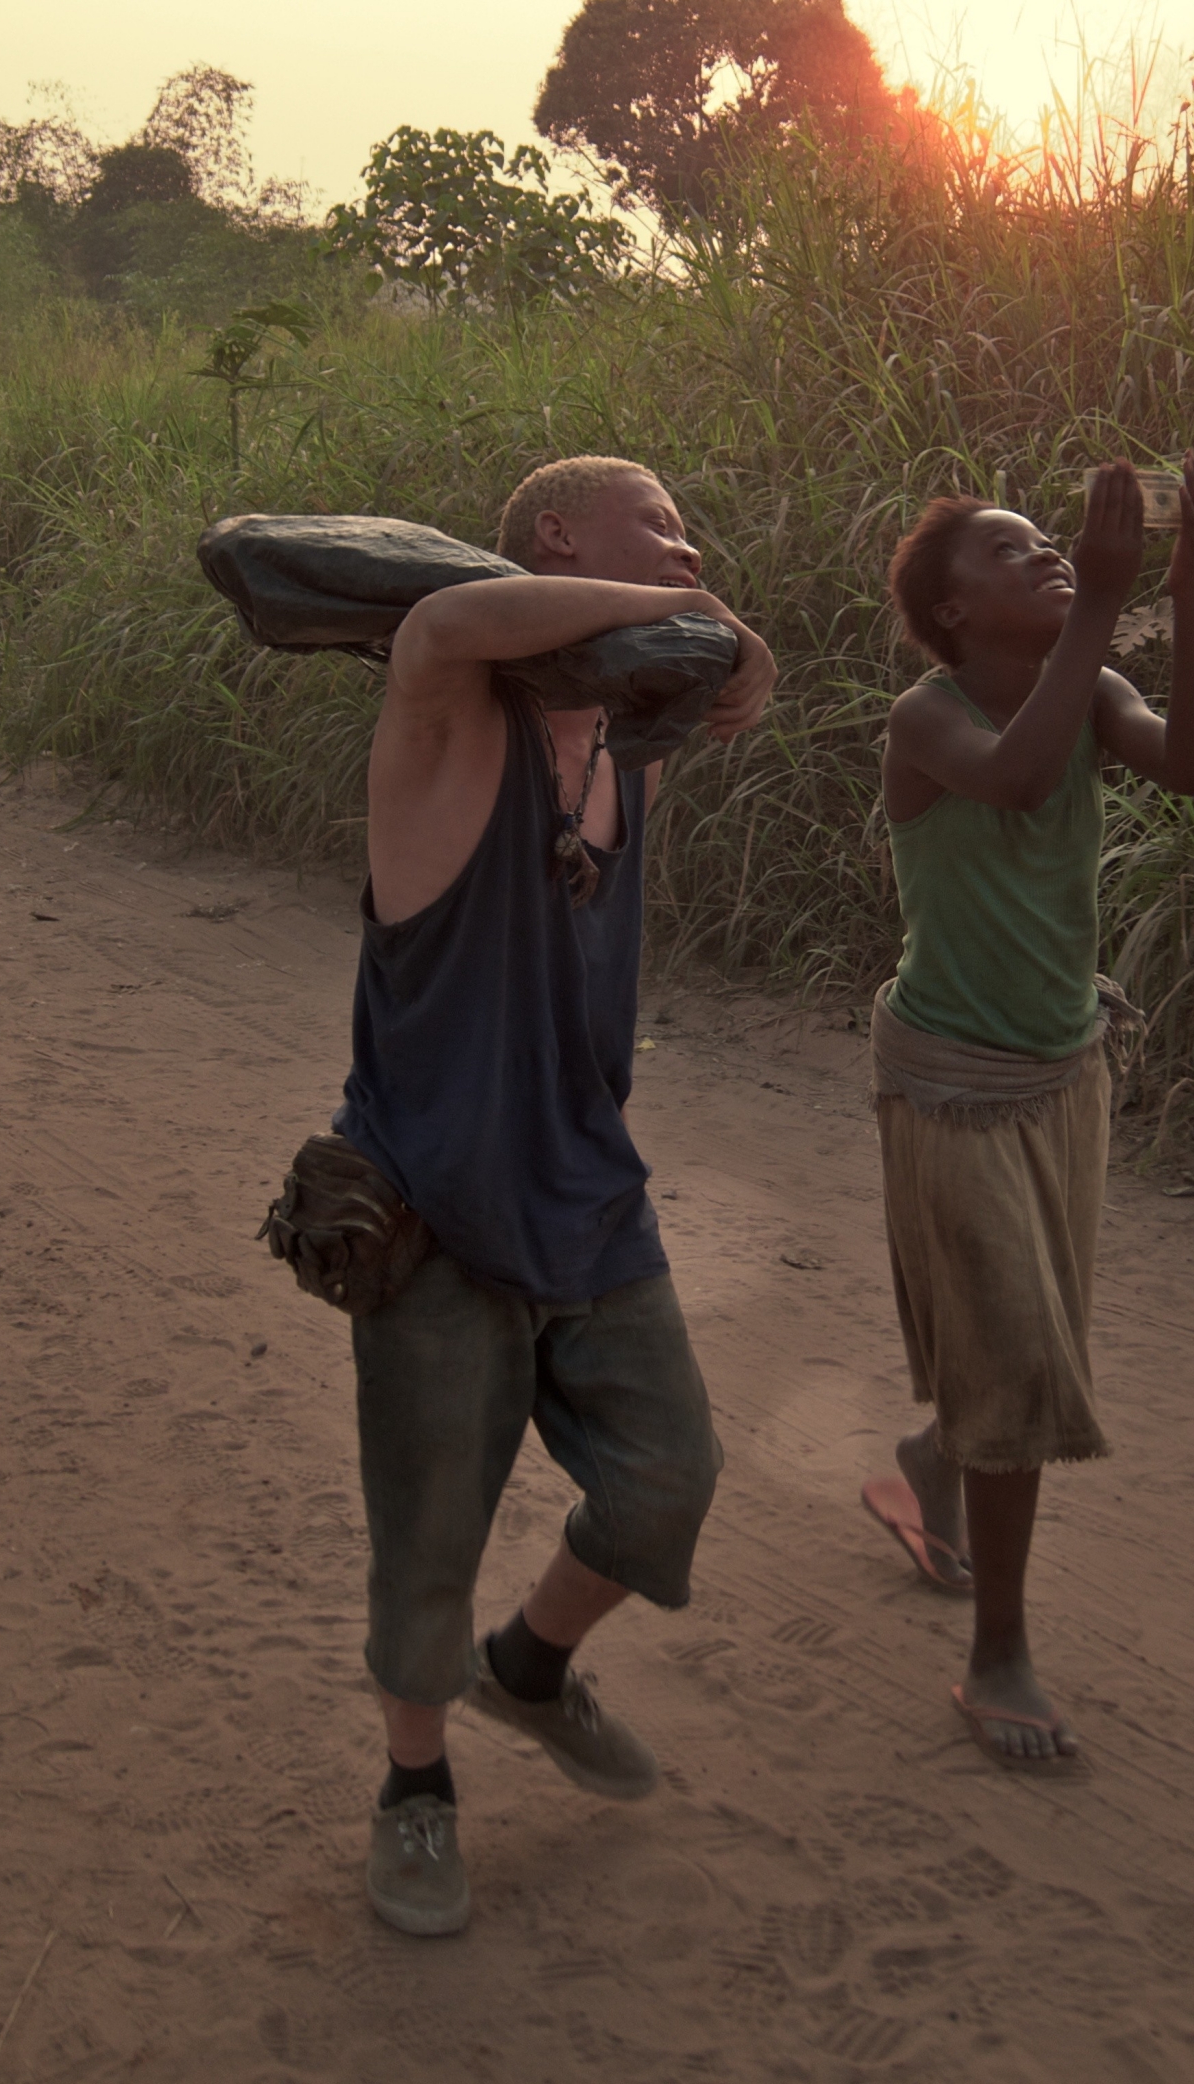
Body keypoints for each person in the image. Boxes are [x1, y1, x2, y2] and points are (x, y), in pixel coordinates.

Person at [340, 455, 776, 1934]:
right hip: (435, 1206)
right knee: (428, 1537)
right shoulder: (452, 722)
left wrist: (717, 628)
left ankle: (527, 1667)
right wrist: (681, 610)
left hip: (589, 1197)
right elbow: (446, 629)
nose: (685, 542)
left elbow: (746, 686)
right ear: (552, 542)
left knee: (670, 1475)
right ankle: (415, 1794)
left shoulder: (626, 758)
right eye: (654, 525)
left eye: (687, 528)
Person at [860, 451, 1194, 1771]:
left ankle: (933, 1453)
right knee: (1017, 1350)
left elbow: (1188, 767)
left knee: (1024, 1332)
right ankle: (999, 1653)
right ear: (955, 613)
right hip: (954, 1083)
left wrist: (1182, 597)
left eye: (1048, 546)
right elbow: (1014, 778)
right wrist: (1102, 607)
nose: (1047, 558)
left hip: (1062, 1069)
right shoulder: (927, 717)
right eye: (1009, 554)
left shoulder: (1096, 682)